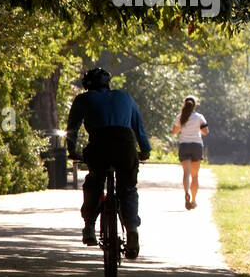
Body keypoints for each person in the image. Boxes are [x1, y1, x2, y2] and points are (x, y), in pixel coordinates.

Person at [66, 68, 151, 259]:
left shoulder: (83, 99)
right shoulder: (126, 97)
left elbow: (72, 128)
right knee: (128, 187)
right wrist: (144, 149)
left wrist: (71, 150)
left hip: (99, 145)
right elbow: (138, 126)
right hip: (125, 145)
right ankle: (132, 231)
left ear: (87, 85)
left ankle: (89, 226)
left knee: (95, 181)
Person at [171, 96, 209, 209]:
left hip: (184, 145)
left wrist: (182, 127)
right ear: (195, 106)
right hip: (196, 145)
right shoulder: (199, 117)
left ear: (184, 104)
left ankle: (186, 192)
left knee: (186, 172)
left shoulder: (180, 117)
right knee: (195, 175)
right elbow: (206, 131)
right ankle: (193, 200)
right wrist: (198, 128)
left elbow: (174, 131)